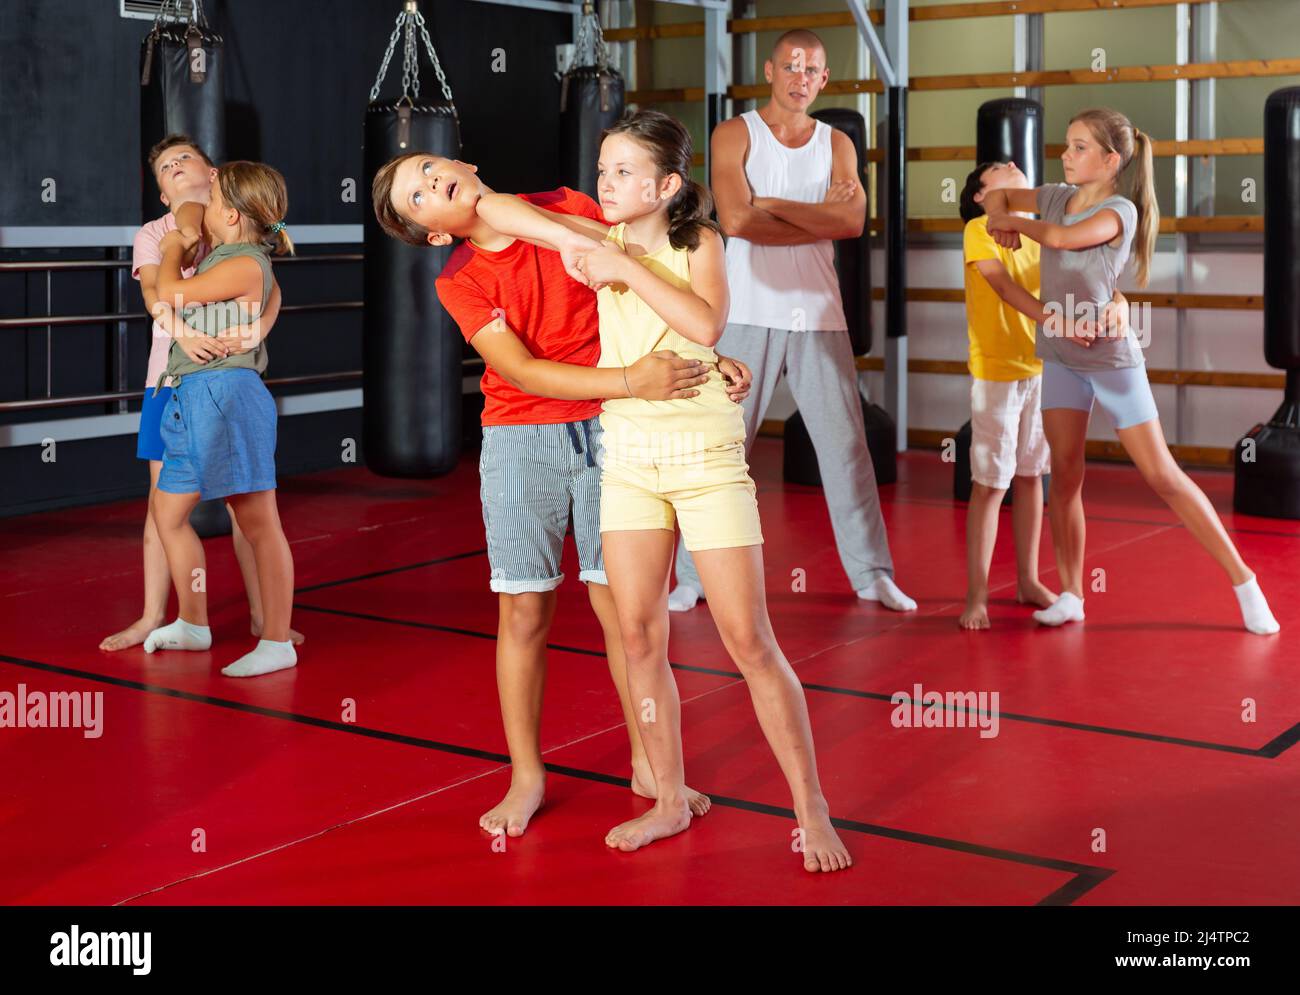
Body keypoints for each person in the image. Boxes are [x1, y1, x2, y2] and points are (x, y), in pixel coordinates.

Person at [475, 109, 852, 871]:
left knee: (749, 640)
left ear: (667, 186)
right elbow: (501, 210)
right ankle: (669, 798)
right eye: (602, 168)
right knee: (640, 636)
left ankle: (811, 807)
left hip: (705, 458)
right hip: (628, 461)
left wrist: (625, 269)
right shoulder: (599, 241)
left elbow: (706, 327)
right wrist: (467, 194)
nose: (605, 182)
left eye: (623, 171)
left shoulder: (697, 241)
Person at [371, 154, 757, 837]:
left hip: (615, 429)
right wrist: (633, 381)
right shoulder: (460, 279)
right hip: (523, 440)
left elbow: (644, 285)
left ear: (464, 161)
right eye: (418, 196)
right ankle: (527, 775)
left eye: (429, 169)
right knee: (524, 611)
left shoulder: (569, 207)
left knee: (628, 615)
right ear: (434, 233)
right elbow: (523, 371)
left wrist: (700, 359)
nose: (430, 183)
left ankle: (650, 763)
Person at [982, 107, 1279, 635]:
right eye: (1067, 145)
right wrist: (995, 215)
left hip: (1110, 359)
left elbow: (1061, 239)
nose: (1066, 155)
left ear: (1111, 160)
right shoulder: (1054, 196)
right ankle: (1072, 594)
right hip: (1061, 355)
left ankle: (1245, 583)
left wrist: (1010, 222)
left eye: (1079, 148)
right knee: (1065, 475)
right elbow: (998, 198)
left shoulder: (1121, 210)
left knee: (1163, 475)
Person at [667, 28, 914, 615]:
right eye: (791, 66)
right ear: (771, 71)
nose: (800, 78)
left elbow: (851, 223)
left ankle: (872, 574)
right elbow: (736, 220)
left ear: (823, 80)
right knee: (721, 447)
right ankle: (691, 576)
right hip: (745, 312)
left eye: (811, 70)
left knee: (847, 449)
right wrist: (815, 216)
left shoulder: (837, 144)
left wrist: (772, 205)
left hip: (819, 315)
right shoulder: (735, 133)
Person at [100, 135, 302, 652]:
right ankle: (160, 615)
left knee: (247, 508)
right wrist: (184, 331)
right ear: (162, 194)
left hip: (223, 381)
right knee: (163, 506)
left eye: (184, 158)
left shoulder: (231, 221)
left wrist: (260, 328)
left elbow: (269, 284)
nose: (174, 166)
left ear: (212, 173)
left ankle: (266, 619)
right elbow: (156, 295)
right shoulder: (156, 232)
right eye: (164, 167)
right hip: (170, 379)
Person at [957, 159, 1130, 629]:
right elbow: (1003, 287)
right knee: (991, 484)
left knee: (1033, 476)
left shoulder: (1042, 234)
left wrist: (1118, 300)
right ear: (981, 195)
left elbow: (1088, 277)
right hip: (996, 372)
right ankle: (976, 596)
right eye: (999, 167)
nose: (1013, 163)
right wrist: (1060, 322)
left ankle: (1028, 580)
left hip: (1041, 367)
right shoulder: (979, 229)